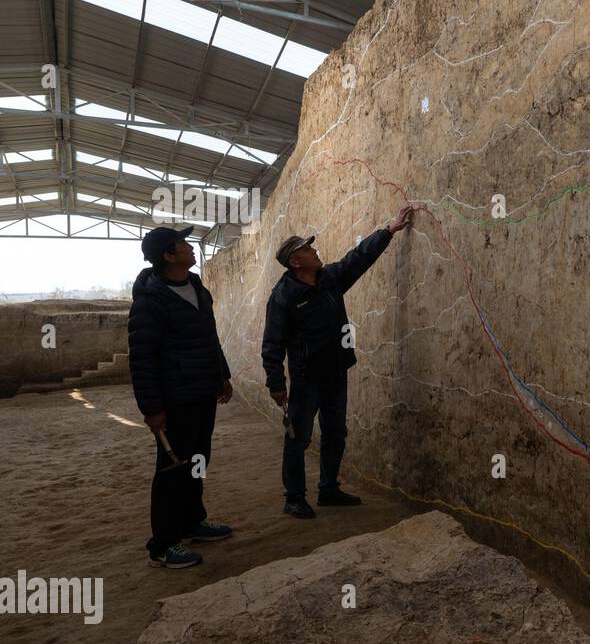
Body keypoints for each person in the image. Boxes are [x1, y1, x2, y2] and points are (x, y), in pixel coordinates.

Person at [262, 207, 415, 518]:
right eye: (307, 249)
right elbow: (273, 343)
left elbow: (357, 259)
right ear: (295, 262)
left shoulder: (329, 279)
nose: (314, 250)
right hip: (306, 378)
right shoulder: (283, 297)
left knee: (335, 432)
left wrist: (388, 230)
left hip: (336, 372)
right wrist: (276, 383)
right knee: (298, 438)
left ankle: (328, 489)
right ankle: (294, 498)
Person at [128, 225, 235, 569]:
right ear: (168, 255)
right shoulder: (151, 299)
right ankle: (163, 543)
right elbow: (142, 358)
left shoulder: (196, 287)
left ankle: (193, 522)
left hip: (203, 390)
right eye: (183, 245)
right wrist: (152, 409)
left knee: (199, 459)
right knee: (172, 469)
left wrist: (223, 375)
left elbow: (209, 336)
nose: (190, 249)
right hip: (175, 398)